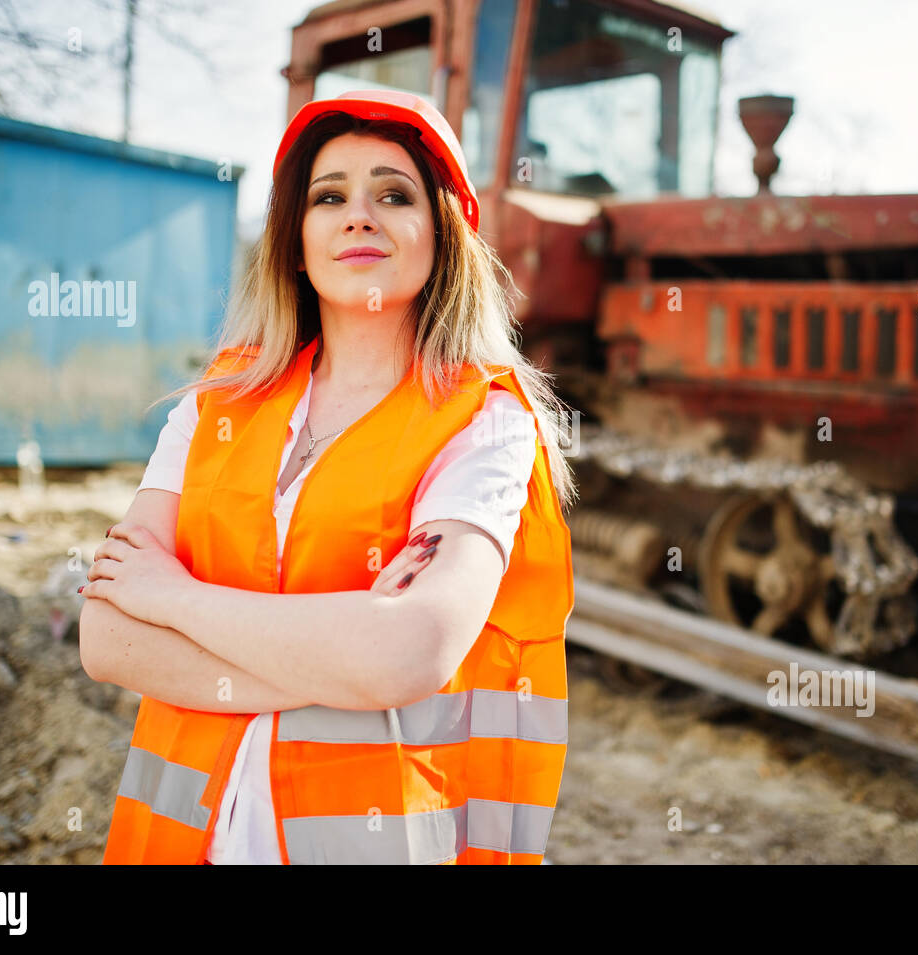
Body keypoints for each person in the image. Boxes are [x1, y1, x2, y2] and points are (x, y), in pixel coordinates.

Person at [78, 89, 576, 865]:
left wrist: (171, 598)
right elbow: (107, 636)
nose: (359, 214)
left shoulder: (484, 421)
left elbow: (409, 652)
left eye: (395, 193)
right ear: (295, 241)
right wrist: (336, 658)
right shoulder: (221, 402)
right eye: (329, 195)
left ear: (443, 235)